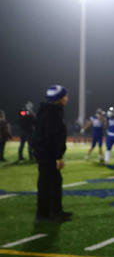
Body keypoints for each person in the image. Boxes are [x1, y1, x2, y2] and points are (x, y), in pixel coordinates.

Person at [33, 85, 72, 223]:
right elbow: (52, 136)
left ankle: (53, 211)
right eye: (65, 96)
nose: (67, 98)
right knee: (50, 183)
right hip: (48, 154)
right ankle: (49, 214)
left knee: (51, 182)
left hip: (45, 153)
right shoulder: (52, 113)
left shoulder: (51, 111)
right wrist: (58, 156)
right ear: (59, 98)